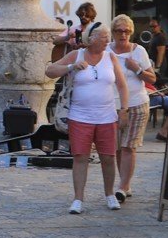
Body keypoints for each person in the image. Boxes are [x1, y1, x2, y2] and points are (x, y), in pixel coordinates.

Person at [46, 24, 129, 214]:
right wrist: (70, 67)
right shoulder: (77, 55)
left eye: (108, 37)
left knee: (108, 157)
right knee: (80, 157)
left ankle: (109, 195)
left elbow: (122, 86)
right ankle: (78, 199)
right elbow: (50, 71)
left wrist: (124, 109)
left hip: (107, 117)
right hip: (80, 116)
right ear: (91, 39)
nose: (108, 40)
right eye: (104, 37)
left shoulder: (110, 57)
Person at [108, 15, 155, 203]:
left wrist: (137, 69)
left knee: (129, 147)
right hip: (113, 105)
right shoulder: (106, 51)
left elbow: (152, 79)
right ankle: (124, 183)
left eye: (127, 31)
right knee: (117, 148)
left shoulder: (139, 51)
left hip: (136, 104)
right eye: (119, 30)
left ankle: (123, 186)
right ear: (113, 32)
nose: (123, 34)